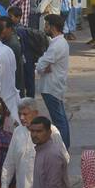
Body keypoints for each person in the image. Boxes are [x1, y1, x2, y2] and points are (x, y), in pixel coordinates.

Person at [0, 98, 69, 188]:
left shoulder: (52, 131)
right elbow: (10, 162)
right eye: (20, 114)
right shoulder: (18, 132)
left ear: (36, 113)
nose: (22, 118)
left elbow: (64, 158)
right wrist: (4, 186)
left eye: (25, 114)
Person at [36, 12, 71, 149]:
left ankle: (63, 147)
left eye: (46, 25)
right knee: (60, 119)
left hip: (52, 87)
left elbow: (41, 65)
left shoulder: (57, 45)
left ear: (53, 27)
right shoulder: (59, 43)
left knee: (59, 120)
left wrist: (42, 66)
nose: (45, 27)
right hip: (54, 86)